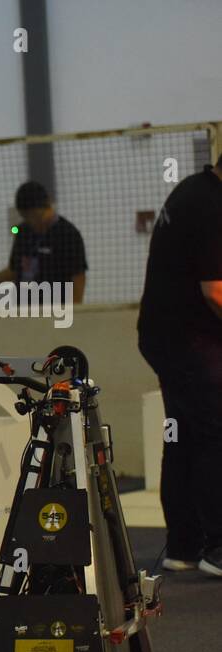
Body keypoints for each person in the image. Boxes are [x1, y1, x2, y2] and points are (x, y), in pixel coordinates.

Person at [137, 160, 222, 577]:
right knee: (214, 433)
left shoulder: (190, 190)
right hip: (189, 342)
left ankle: (184, 545)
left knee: (182, 435)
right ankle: (217, 547)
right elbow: (215, 291)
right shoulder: (211, 204)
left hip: (167, 338)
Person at [0, 181, 88, 304]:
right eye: (27, 218)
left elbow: (78, 277)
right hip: (24, 310)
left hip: (54, 308)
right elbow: (14, 271)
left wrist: (75, 313)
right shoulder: (23, 232)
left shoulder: (68, 234)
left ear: (48, 205)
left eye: (37, 216)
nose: (33, 223)